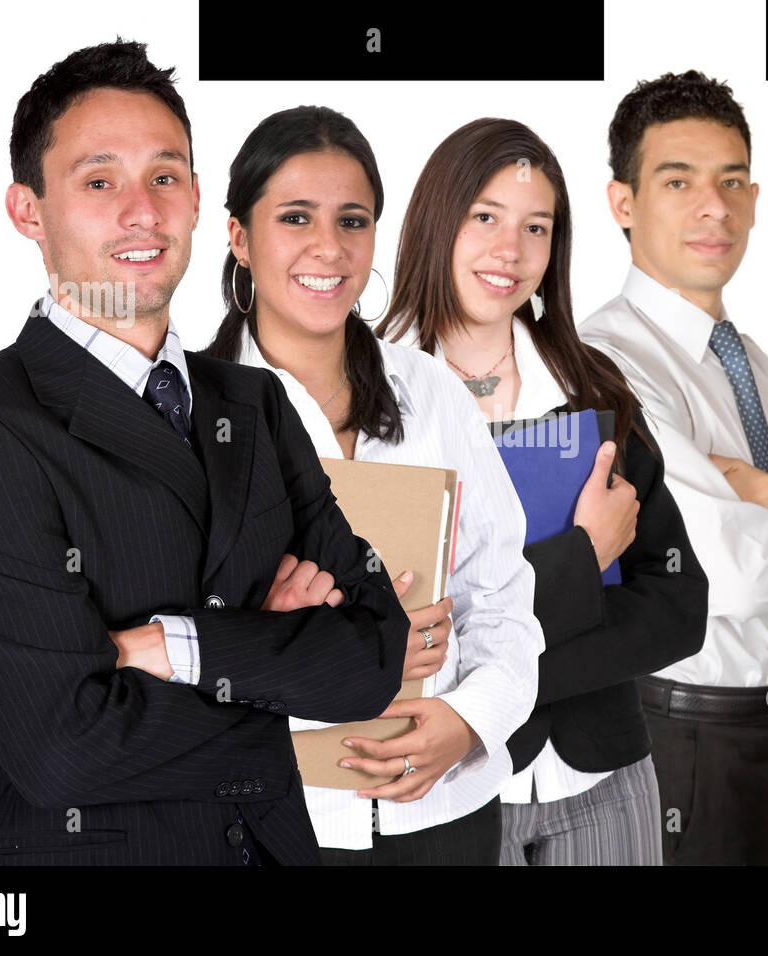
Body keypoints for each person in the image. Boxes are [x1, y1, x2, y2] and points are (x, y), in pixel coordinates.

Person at [0, 41, 410, 866]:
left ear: (200, 199)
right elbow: (60, 745)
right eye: (99, 181)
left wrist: (169, 649)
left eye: (165, 177)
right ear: (27, 210)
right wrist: (271, 680)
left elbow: (370, 662)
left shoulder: (253, 402)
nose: (142, 211)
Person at [203, 105, 544, 865]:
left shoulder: (434, 390)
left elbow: (503, 598)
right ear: (239, 238)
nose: (329, 247)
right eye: (295, 217)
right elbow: (164, 647)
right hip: (275, 821)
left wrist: (468, 720)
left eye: (352, 221)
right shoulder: (189, 416)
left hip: (444, 814)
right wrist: (297, 640)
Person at [378, 117, 710, 865]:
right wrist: (583, 559)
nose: (511, 251)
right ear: (438, 221)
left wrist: (497, 672)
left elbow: (678, 608)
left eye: (537, 227)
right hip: (456, 786)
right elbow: (393, 630)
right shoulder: (370, 397)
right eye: (485, 217)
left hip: (607, 783)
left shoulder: (592, 393)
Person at [579, 70, 768, 865]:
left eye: (731, 183)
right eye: (677, 181)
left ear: (754, 200)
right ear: (623, 203)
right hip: (685, 737)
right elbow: (733, 576)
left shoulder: (745, 358)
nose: (713, 206)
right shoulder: (611, 362)